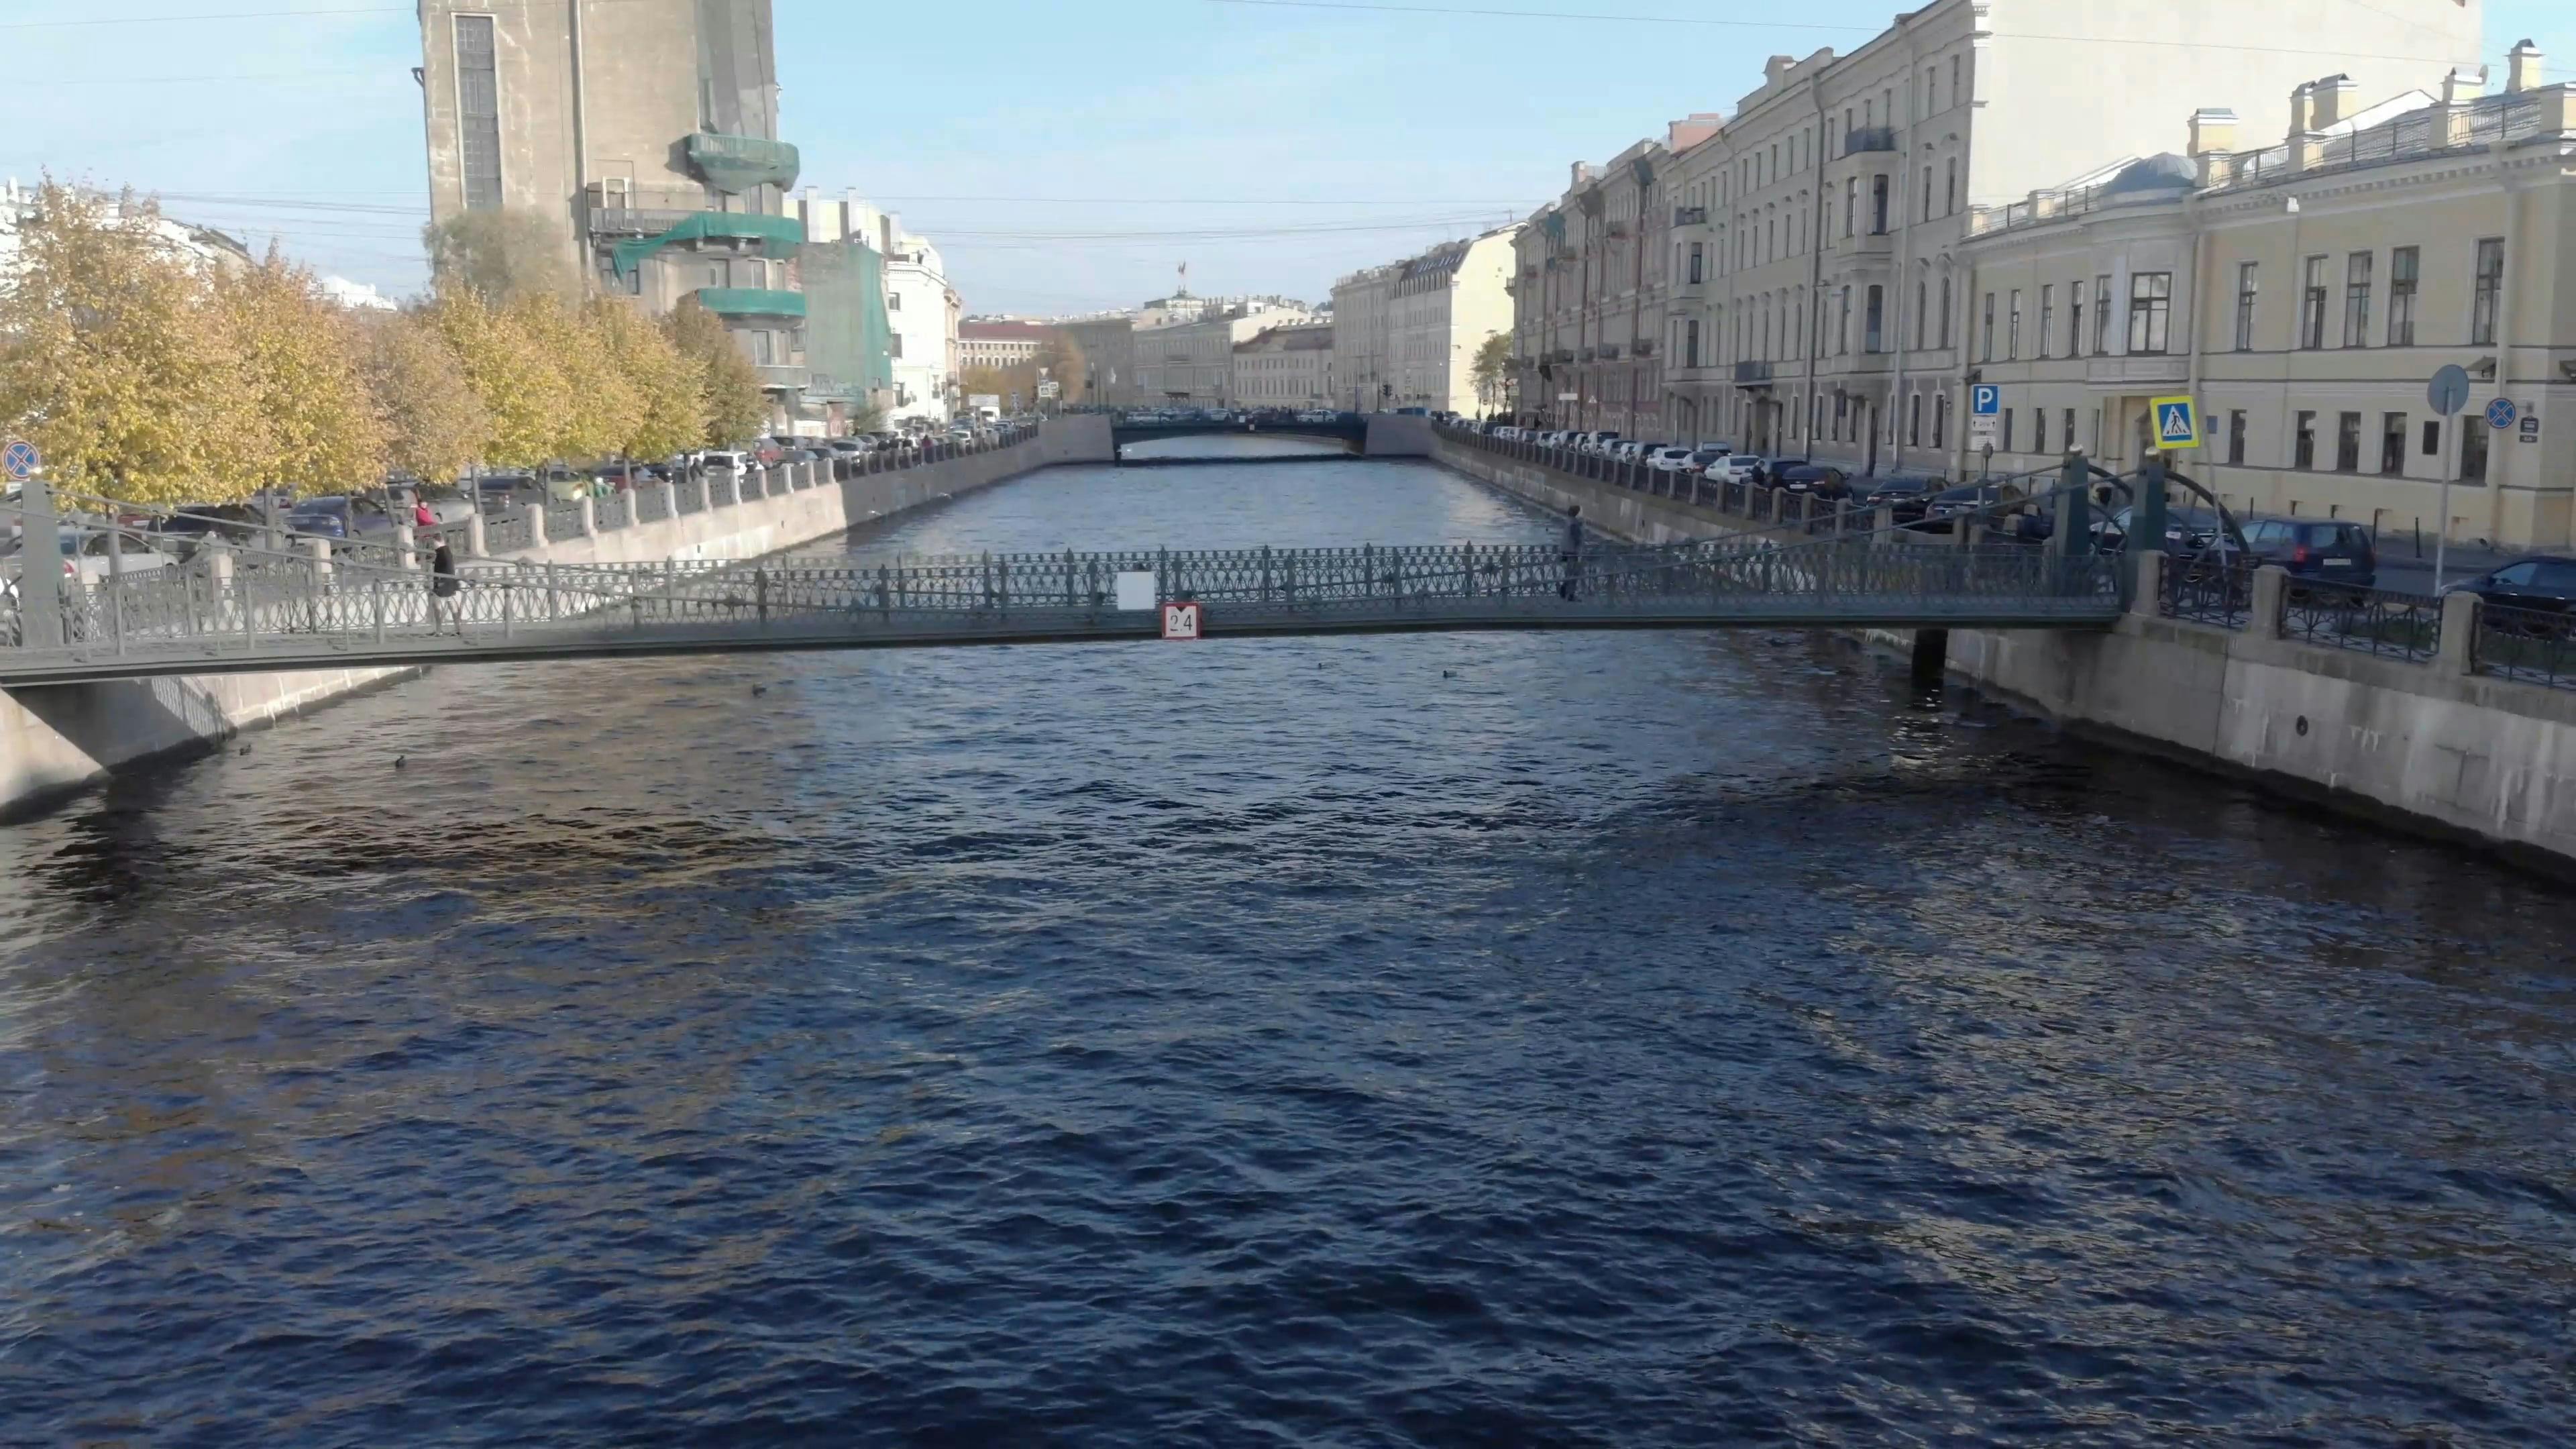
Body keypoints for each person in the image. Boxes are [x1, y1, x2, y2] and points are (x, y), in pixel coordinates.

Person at [428, 536, 463, 635]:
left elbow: (444, 569)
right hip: (449, 585)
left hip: (442, 586)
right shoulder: (446, 551)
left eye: (433, 543)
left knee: (437, 607)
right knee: (452, 607)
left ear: (437, 542)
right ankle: (458, 629)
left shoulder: (442, 553)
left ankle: (439, 630)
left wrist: (440, 583)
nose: (432, 545)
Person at [1559, 503, 1585, 600]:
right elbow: (1576, 537)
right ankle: (1570, 594)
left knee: (1568, 573)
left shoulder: (1568, 521)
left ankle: (1564, 590)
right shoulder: (1574, 523)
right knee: (1574, 574)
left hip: (1565, 551)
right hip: (1572, 552)